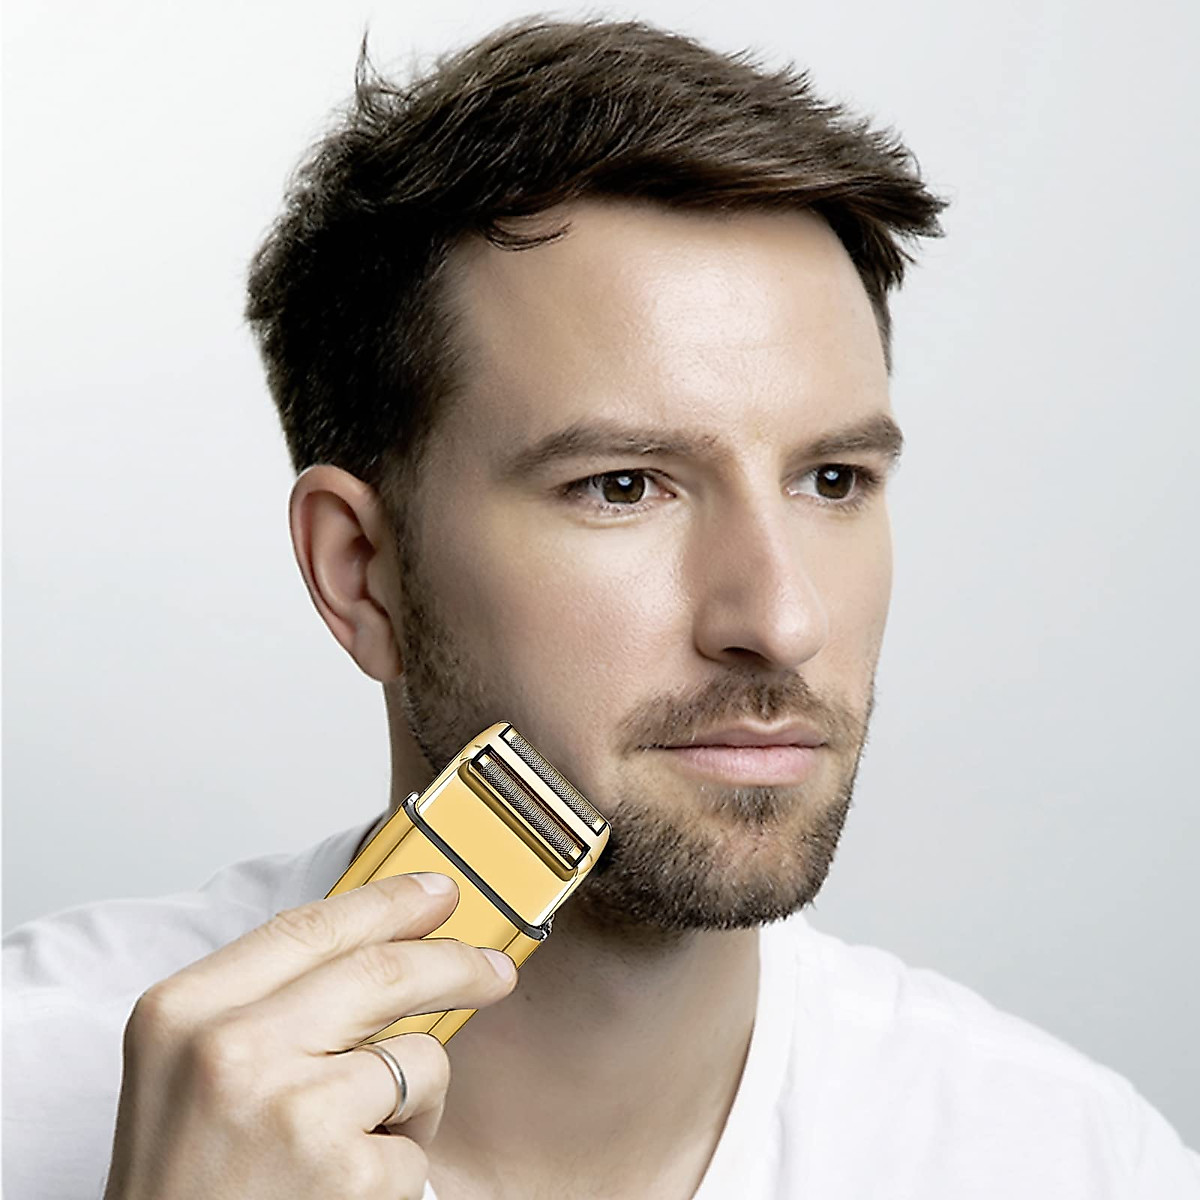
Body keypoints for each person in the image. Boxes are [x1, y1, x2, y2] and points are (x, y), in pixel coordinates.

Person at [4, 16, 1197, 1200]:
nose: (780, 622)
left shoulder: (1077, 1162)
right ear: (361, 570)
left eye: (833, 481)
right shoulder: (26, 1088)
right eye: (623, 486)